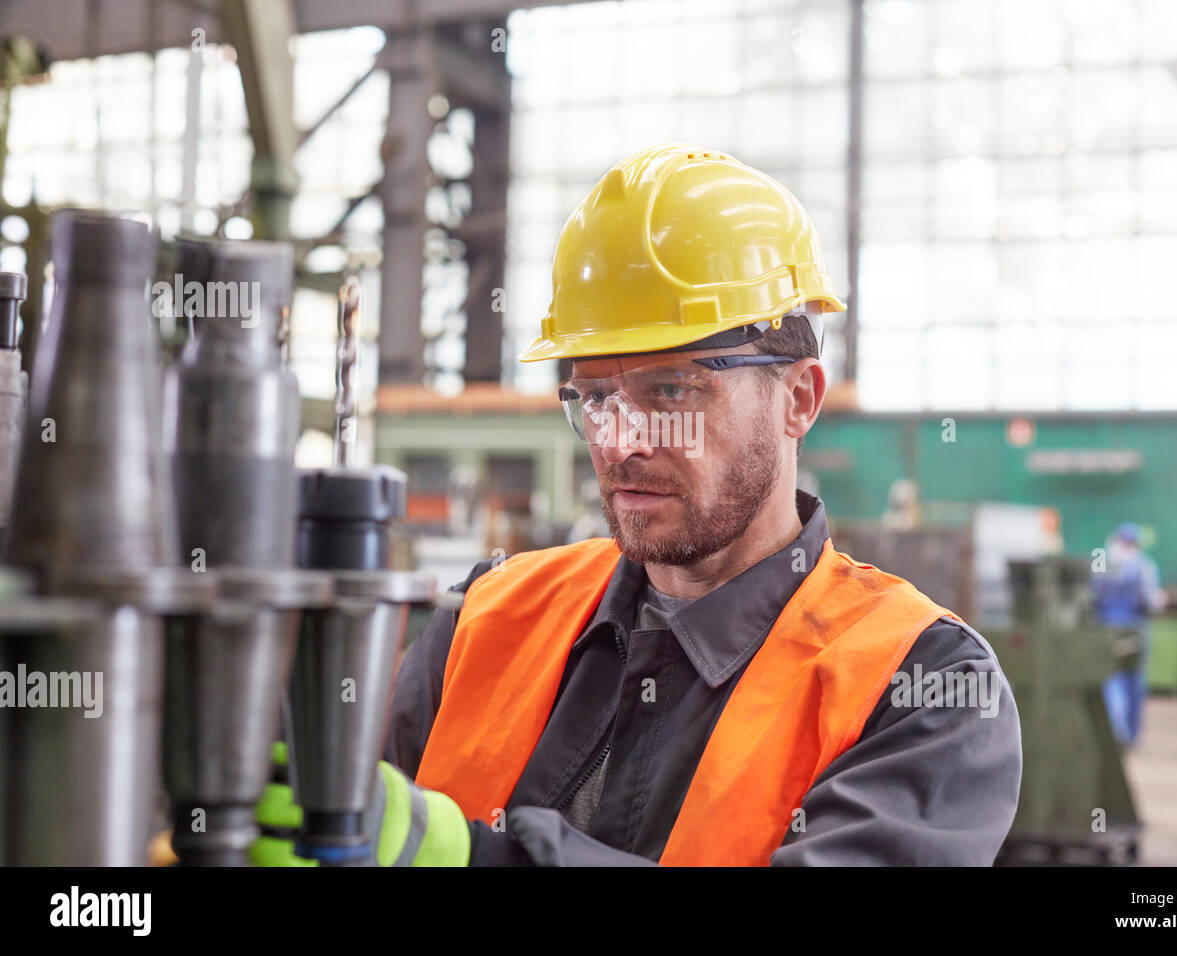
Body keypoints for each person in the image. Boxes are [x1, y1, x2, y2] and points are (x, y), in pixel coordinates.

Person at [282, 144, 1022, 866]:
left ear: (799, 398)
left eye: (671, 389)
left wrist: (460, 856)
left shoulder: (921, 682)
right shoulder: (484, 619)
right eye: (595, 396)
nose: (620, 440)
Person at [1092, 522, 1167, 748]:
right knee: (1133, 682)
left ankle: (1115, 733)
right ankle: (1128, 736)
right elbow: (1149, 601)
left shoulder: (1102, 564)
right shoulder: (1143, 567)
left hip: (1106, 627)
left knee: (1112, 680)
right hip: (1134, 629)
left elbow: (1092, 596)